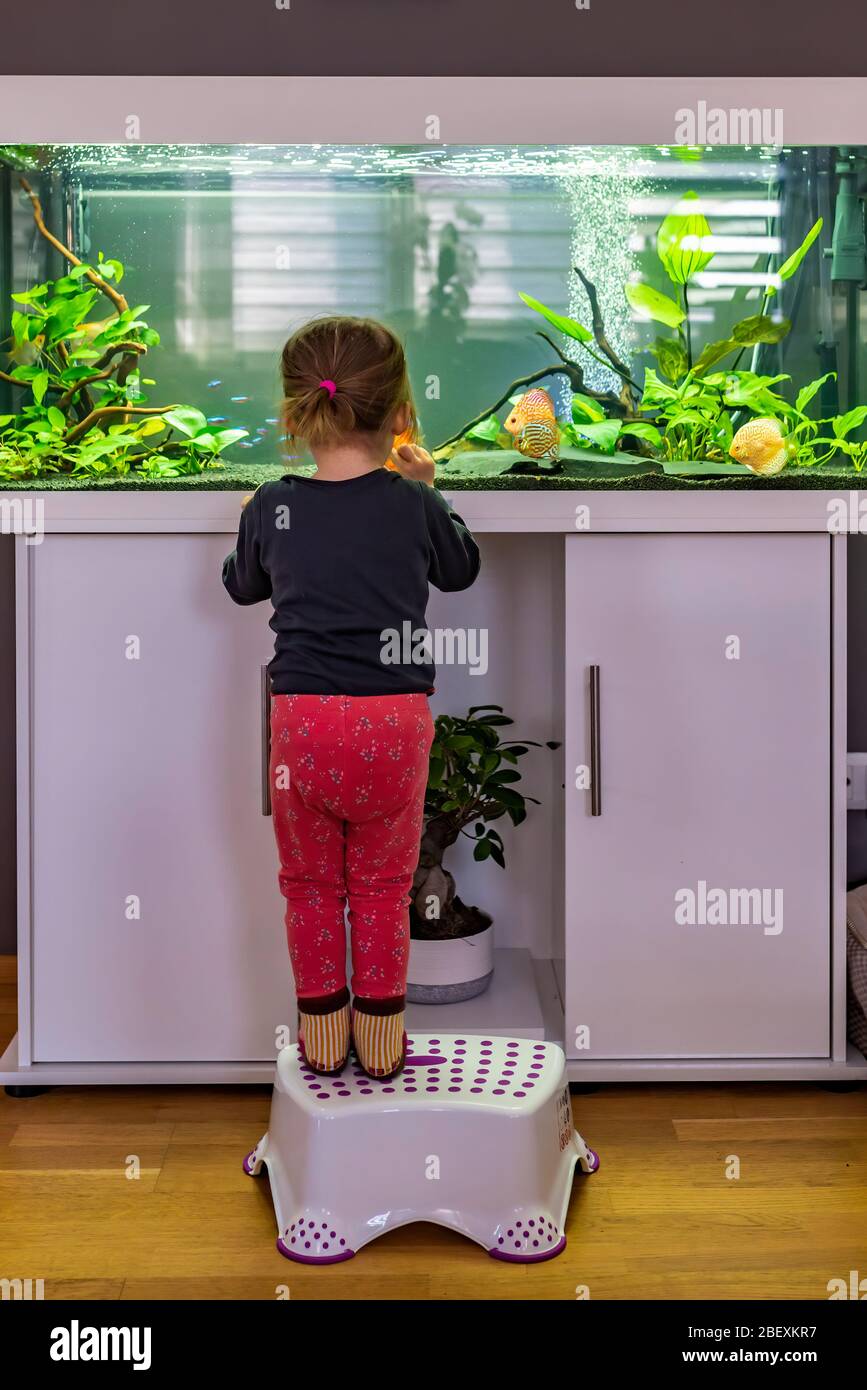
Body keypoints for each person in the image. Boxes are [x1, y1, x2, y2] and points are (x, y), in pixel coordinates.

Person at [223, 316, 480, 1080]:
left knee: (308, 886)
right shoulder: (412, 502)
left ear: (296, 412)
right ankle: (379, 1045)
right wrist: (432, 489)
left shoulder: (273, 502)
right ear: (401, 412)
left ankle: (321, 1043)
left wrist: (251, 520)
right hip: (394, 722)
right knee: (379, 887)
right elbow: (459, 570)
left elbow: (243, 588)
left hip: (301, 724)